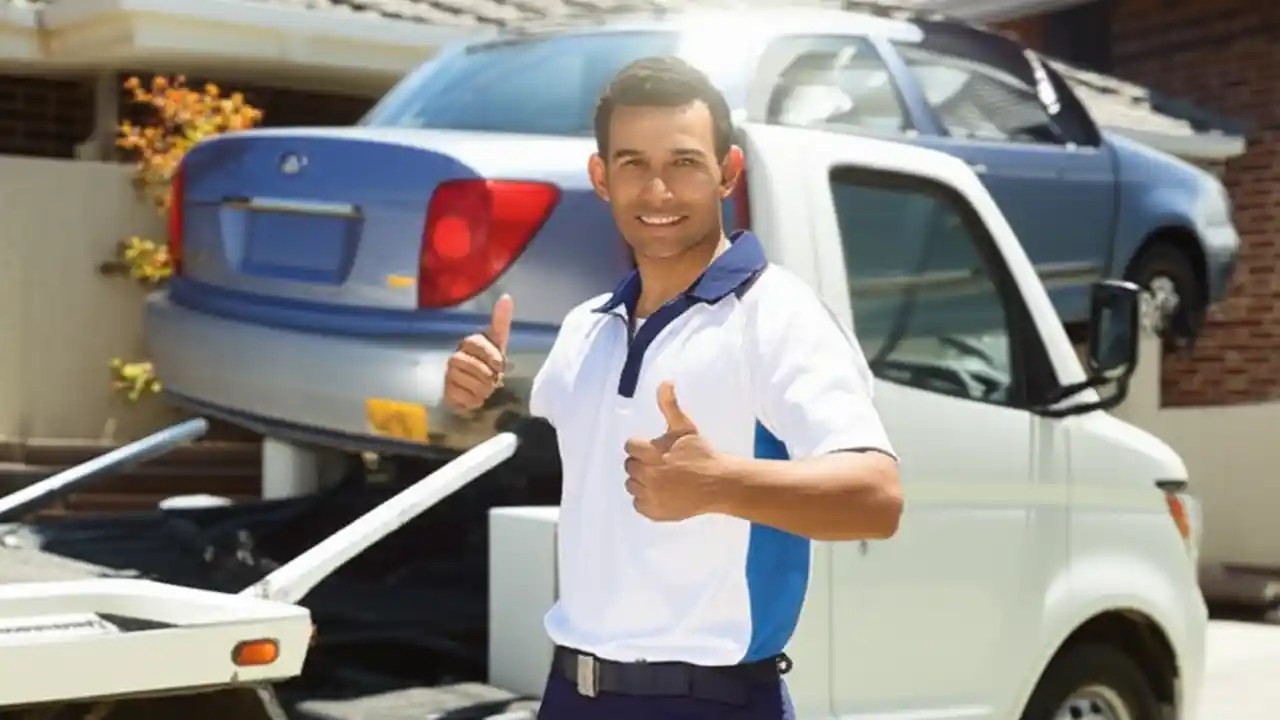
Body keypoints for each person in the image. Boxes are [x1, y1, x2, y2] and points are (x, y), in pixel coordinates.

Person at [443, 56, 903, 720]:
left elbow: (876, 500)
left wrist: (719, 485)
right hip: (571, 695)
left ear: (728, 172)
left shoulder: (776, 314)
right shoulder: (586, 328)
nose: (657, 190)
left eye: (684, 162)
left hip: (711, 701)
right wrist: (471, 398)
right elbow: (518, 451)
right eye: (632, 163)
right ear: (601, 178)